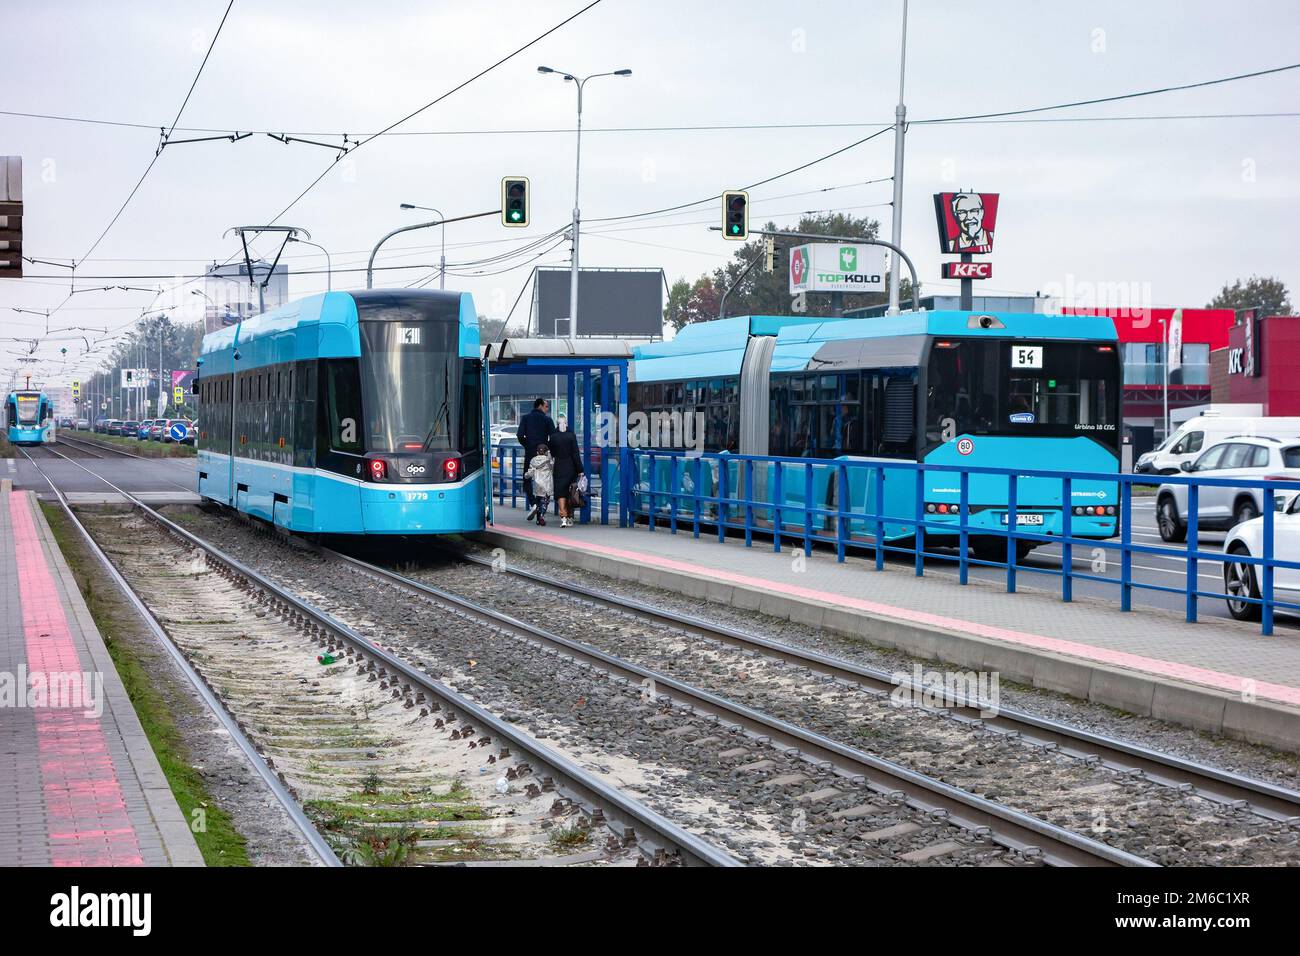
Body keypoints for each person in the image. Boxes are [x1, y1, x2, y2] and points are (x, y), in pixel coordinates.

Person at [516, 397, 556, 519]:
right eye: (546, 406)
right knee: (543, 482)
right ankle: (540, 512)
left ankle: (533, 503)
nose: (547, 409)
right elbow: (553, 436)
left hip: (530, 452)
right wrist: (547, 448)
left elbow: (519, 435)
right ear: (540, 406)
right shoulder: (547, 420)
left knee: (527, 478)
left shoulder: (526, 418)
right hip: (543, 455)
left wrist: (527, 445)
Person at [548, 417, 586, 528]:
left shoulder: (553, 437)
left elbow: (552, 453)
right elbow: (575, 454)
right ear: (566, 424)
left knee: (560, 493)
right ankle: (569, 516)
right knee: (571, 492)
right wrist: (580, 470)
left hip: (559, 466)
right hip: (571, 467)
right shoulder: (571, 436)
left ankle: (563, 517)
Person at [524, 442, 555, 526]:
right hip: (546, 484)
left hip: (537, 484)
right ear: (546, 452)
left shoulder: (533, 460)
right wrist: (549, 456)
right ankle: (542, 516)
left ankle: (536, 511)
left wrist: (526, 475)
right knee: (545, 501)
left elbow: (530, 472)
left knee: (538, 500)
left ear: (537, 452)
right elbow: (553, 469)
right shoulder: (549, 461)